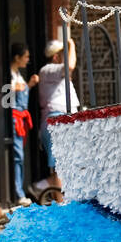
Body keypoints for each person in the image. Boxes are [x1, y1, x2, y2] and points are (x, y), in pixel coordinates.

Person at [36, 37, 80, 190]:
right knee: (60, 166)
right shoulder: (49, 69)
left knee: (66, 165)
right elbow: (71, 66)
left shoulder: (53, 72)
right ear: (56, 57)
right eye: (63, 54)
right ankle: (60, 205)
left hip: (61, 119)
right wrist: (72, 44)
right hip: (57, 120)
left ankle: (41, 187)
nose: (65, 57)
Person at [9, 43, 37, 206]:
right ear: (17, 57)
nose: (28, 60)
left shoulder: (17, 73)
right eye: (25, 56)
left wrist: (28, 85)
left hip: (20, 118)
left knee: (19, 156)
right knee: (17, 156)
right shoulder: (8, 75)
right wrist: (15, 87)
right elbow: (5, 98)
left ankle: (19, 191)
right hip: (14, 119)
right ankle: (17, 193)